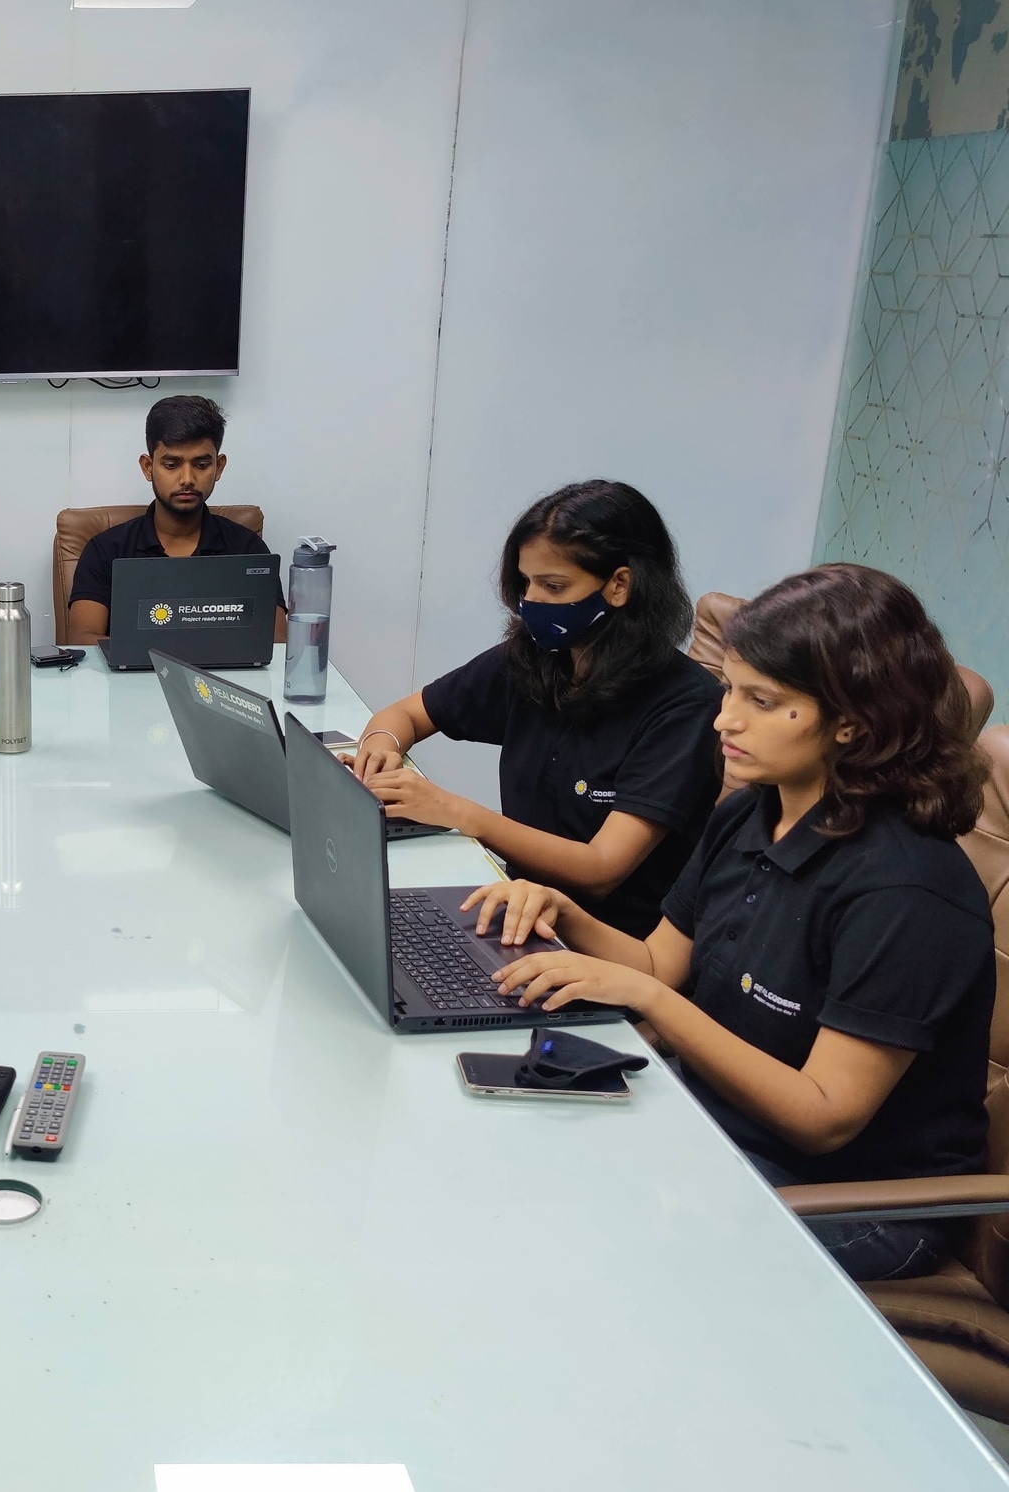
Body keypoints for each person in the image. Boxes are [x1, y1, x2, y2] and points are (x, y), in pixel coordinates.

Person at [471, 564, 993, 1281]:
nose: (724, 720)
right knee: (505, 1161)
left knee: (587, 1252)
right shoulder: (753, 811)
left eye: (761, 700)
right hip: (715, 1126)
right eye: (730, 690)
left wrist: (651, 1002)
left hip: (851, 1199)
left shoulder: (907, 889)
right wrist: (564, 912)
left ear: (851, 722)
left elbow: (823, 1116)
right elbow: (658, 964)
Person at [352, 480, 722, 937]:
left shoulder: (687, 706)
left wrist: (456, 811)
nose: (530, 601)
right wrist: (379, 750)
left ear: (619, 585)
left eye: (553, 585)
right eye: (526, 582)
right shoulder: (534, 657)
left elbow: (601, 868)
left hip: (604, 945)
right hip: (516, 910)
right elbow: (405, 716)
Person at [63, 394, 284, 646]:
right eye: (171, 465)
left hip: (224, 672)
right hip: (130, 673)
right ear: (148, 467)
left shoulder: (247, 549)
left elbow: (276, 642)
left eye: (201, 464)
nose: (187, 479)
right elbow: (83, 638)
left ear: (219, 467)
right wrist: (173, 653)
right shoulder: (105, 550)